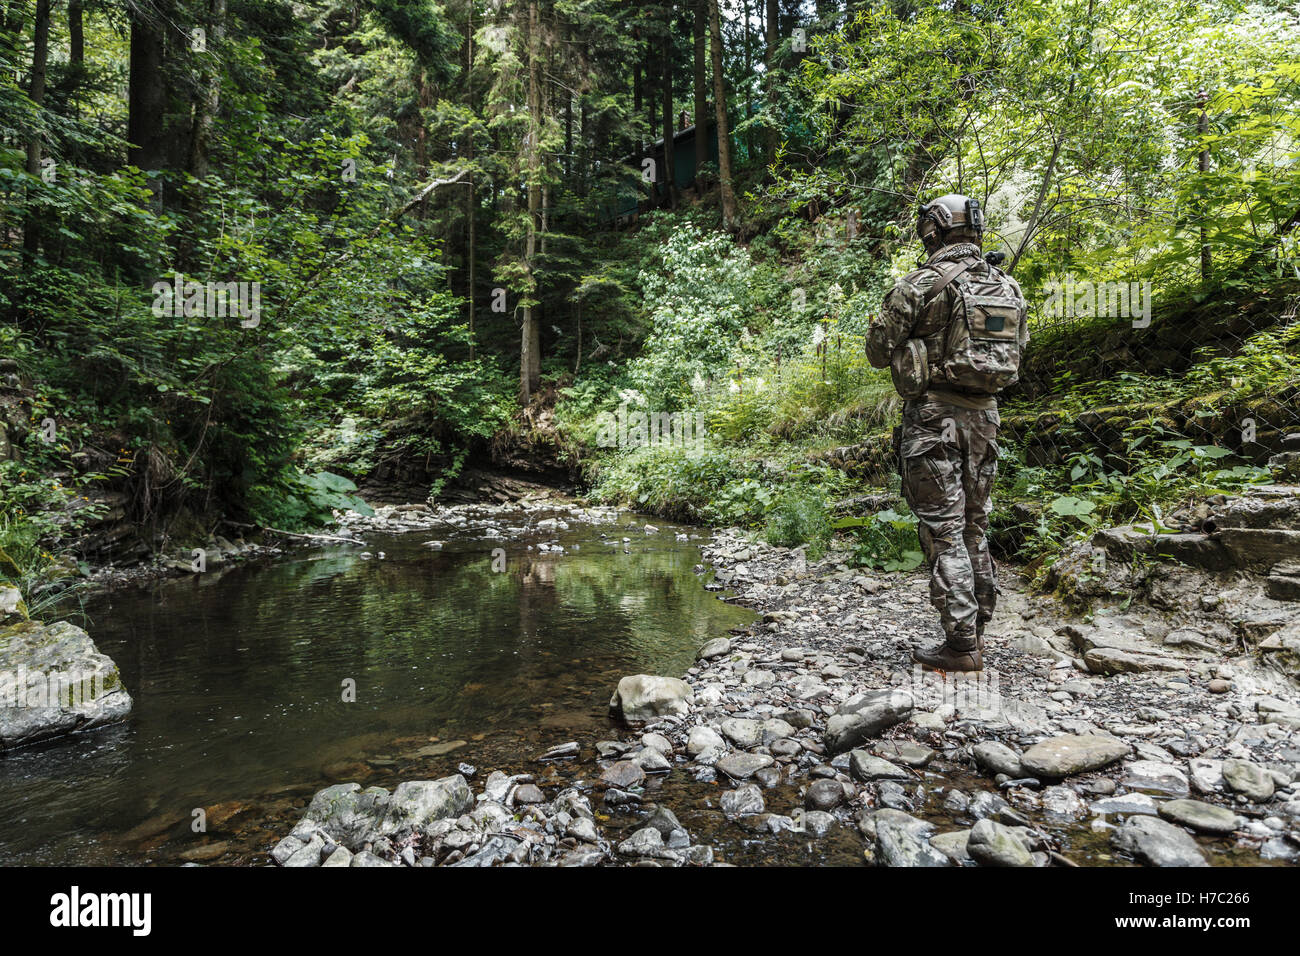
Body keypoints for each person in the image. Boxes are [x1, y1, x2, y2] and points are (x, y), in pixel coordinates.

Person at [865, 194, 1028, 672]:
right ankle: (978, 629)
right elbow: (1017, 352)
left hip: (933, 417)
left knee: (944, 530)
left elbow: (878, 350)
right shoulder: (1007, 287)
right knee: (975, 524)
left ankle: (960, 645)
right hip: (986, 418)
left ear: (932, 231)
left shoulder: (920, 285)